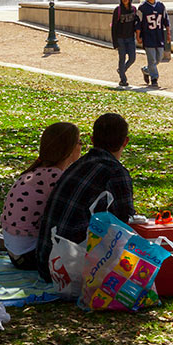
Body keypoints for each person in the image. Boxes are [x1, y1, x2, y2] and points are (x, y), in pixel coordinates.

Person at [36, 112, 136, 281]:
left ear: (92, 139)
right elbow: (126, 222)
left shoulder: (78, 165)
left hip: (45, 262)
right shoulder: (115, 172)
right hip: (69, 270)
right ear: (125, 142)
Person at [0, 122, 81, 269]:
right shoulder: (55, 178)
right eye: (79, 142)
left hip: (15, 253)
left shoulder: (35, 172)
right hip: (30, 255)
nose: (82, 146)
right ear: (68, 149)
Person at [137, 0, 168, 87]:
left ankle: (146, 70)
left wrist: (168, 34)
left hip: (159, 36)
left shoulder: (161, 6)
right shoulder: (142, 7)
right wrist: (138, 36)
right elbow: (138, 23)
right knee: (152, 59)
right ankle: (154, 79)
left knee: (159, 57)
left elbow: (165, 21)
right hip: (148, 36)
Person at [110, 0, 140, 87]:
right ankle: (123, 79)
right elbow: (114, 26)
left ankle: (121, 70)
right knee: (122, 58)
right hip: (120, 38)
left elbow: (136, 22)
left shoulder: (133, 9)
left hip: (130, 37)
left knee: (132, 58)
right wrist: (115, 42)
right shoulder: (117, 10)